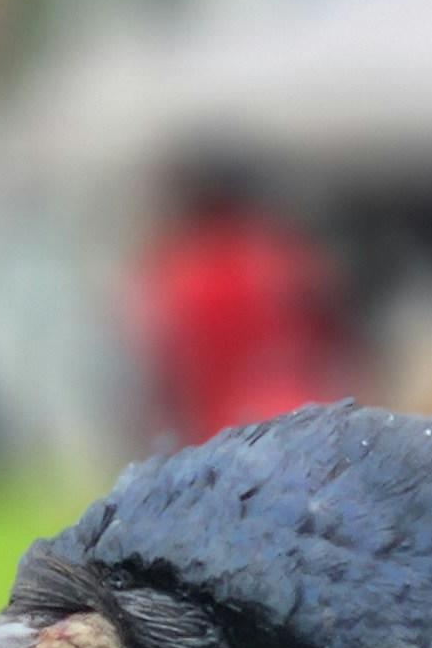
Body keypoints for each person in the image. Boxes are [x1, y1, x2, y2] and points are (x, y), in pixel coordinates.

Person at [133, 160, 354, 446]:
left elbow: (165, 372)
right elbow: (331, 335)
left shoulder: (176, 271)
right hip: (303, 420)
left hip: (220, 436)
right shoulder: (278, 254)